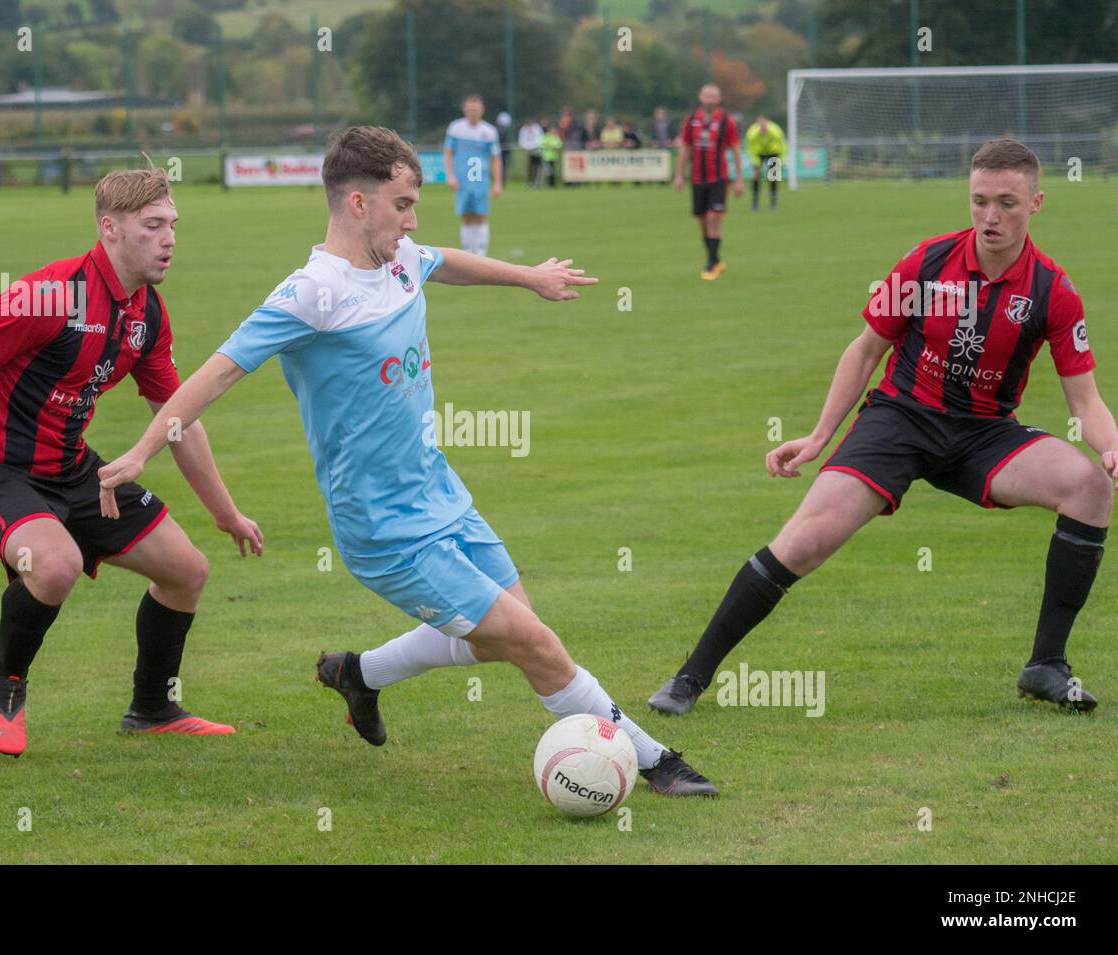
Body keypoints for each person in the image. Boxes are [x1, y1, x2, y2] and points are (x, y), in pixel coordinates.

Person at [98, 126, 718, 797]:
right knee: (535, 642)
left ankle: (358, 675)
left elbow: (440, 259)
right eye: (402, 203)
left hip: (442, 492)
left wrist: (528, 278)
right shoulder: (312, 293)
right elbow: (214, 376)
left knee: (497, 638)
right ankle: (653, 759)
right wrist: (141, 450)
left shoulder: (397, 257)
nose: (412, 219)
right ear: (358, 203)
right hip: (383, 527)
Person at [649, 139, 1118, 718]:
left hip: (984, 434)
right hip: (899, 420)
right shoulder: (926, 262)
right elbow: (867, 348)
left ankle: (1045, 666)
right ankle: (689, 679)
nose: (991, 216)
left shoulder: (1053, 289)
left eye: (1007, 202)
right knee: (805, 541)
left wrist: (1112, 447)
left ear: (1037, 202)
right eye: (979, 201)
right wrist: (820, 435)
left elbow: (1086, 401)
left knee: (1088, 487)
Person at [0, 159, 261, 757]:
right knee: (56, 565)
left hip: (72, 469)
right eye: (152, 225)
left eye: (173, 224)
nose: (169, 239)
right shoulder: (48, 294)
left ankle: (152, 708)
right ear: (109, 228)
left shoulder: (147, 313)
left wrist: (225, 512)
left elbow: (175, 416)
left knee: (187, 570)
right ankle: (5, 682)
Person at [673, 84, 743, 281]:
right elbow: (686, 148)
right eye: (707, 96)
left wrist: (738, 180)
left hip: (718, 178)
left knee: (714, 217)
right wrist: (679, 175)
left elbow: (736, 150)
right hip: (697, 179)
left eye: (713, 97)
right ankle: (715, 259)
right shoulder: (691, 121)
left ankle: (711, 263)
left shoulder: (726, 122)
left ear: (718, 99)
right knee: (703, 221)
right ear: (700, 97)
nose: (710, 99)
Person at [443, 93, 501, 256]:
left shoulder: (489, 131)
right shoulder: (455, 128)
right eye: (470, 109)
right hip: (462, 180)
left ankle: (481, 252)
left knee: (481, 215)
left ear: (482, 110)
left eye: (476, 109)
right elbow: (448, 152)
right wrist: (450, 175)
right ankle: (468, 251)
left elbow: (496, 158)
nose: (473, 112)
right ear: (464, 109)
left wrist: (497, 183)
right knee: (466, 216)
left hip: (480, 180)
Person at [746, 114, 786, 210]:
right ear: (757, 123)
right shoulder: (752, 133)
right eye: (760, 123)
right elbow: (750, 148)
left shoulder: (775, 131)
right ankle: (755, 201)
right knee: (755, 176)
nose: (762, 125)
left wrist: (781, 161)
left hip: (773, 152)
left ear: (768, 123)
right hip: (758, 153)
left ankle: (773, 202)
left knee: (773, 177)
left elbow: (782, 146)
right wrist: (755, 162)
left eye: (764, 123)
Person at [518, 116, 543, 187]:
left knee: (538, 168)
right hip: (528, 152)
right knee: (530, 169)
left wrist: (532, 147)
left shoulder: (537, 128)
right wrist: (527, 147)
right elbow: (522, 141)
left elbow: (539, 140)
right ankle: (530, 182)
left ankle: (538, 183)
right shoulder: (523, 129)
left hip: (537, 151)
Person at [538, 121, 562, 188]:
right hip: (546, 157)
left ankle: (552, 185)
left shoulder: (556, 137)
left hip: (554, 157)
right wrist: (549, 146)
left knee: (552, 172)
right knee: (548, 172)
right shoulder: (546, 137)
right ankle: (542, 184)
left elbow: (559, 145)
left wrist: (553, 146)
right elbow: (541, 144)